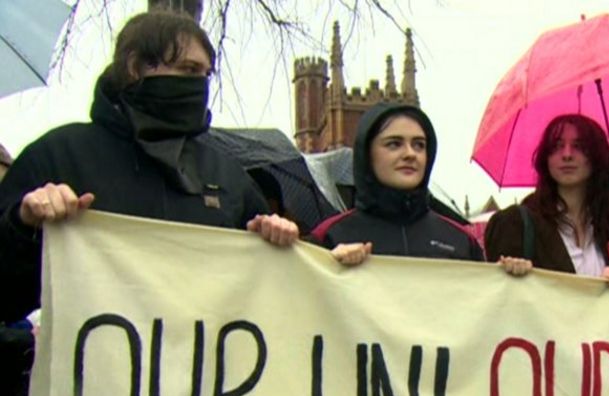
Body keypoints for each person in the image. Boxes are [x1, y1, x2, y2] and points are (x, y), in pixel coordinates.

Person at [0, 11, 298, 324]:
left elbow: (274, 298)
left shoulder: (226, 176)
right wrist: (24, 225)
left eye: (205, 75)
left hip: (200, 367)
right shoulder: (60, 155)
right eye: (188, 69)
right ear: (135, 67)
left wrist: (280, 244)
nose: (200, 85)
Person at [484, 114, 609, 287]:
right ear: (546, 158)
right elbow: (504, 297)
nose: (567, 155)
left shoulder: (608, 231)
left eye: (579, 146)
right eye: (557, 146)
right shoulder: (514, 223)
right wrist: (595, 283)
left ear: (596, 156)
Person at [310, 102, 483, 263]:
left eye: (419, 145)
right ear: (367, 153)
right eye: (394, 144)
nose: (410, 154)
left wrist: (507, 278)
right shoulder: (331, 235)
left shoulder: (461, 240)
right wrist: (327, 266)